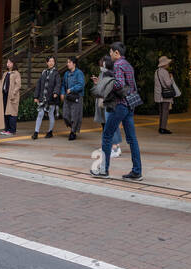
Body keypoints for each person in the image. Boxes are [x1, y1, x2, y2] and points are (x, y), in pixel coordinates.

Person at [93, 42, 142, 181]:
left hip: (119, 105)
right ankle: (137, 172)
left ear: (116, 53)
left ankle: (104, 171)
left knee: (107, 136)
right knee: (132, 139)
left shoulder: (118, 65)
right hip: (130, 105)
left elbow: (119, 84)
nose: (109, 55)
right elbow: (131, 85)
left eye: (110, 52)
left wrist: (105, 83)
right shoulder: (128, 65)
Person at [32, 55, 62, 139]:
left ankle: (50, 131)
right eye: (49, 61)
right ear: (47, 62)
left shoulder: (56, 73)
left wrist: (56, 92)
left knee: (50, 114)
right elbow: (38, 84)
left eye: (53, 61)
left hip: (51, 98)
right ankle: (36, 132)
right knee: (40, 113)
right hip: (42, 97)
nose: (51, 63)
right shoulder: (43, 72)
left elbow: (58, 84)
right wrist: (36, 96)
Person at [62, 56, 86, 140]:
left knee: (75, 116)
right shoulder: (66, 74)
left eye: (69, 62)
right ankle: (73, 127)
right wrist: (62, 93)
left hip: (77, 97)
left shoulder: (79, 73)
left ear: (74, 64)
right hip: (68, 97)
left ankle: (73, 132)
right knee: (65, 115)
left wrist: (72, 89)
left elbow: (81, 85)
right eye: (67, 62)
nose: (67, 64)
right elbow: (63, 85)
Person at [154, 55, 180, 134]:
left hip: (159, 94)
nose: (168, 64)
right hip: (165, 95)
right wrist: (171, 78)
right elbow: (168, 84)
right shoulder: (165, 72)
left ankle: (160, 127)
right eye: (167, 63)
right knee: (165, 112)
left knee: (161, 112)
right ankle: (163, 128)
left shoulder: (157, 71)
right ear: (164, 64)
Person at [3, 58, 22, 135]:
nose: (8, 64)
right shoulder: (6, 73)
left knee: (12, 113)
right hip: (5, 95)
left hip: (12, 96)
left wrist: (13, 93)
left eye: (10, 62)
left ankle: (12, 130)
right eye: (7, 62)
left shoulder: (16, 73)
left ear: (13, 64)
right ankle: (6, 129)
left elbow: (18, 85)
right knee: (5, 112)